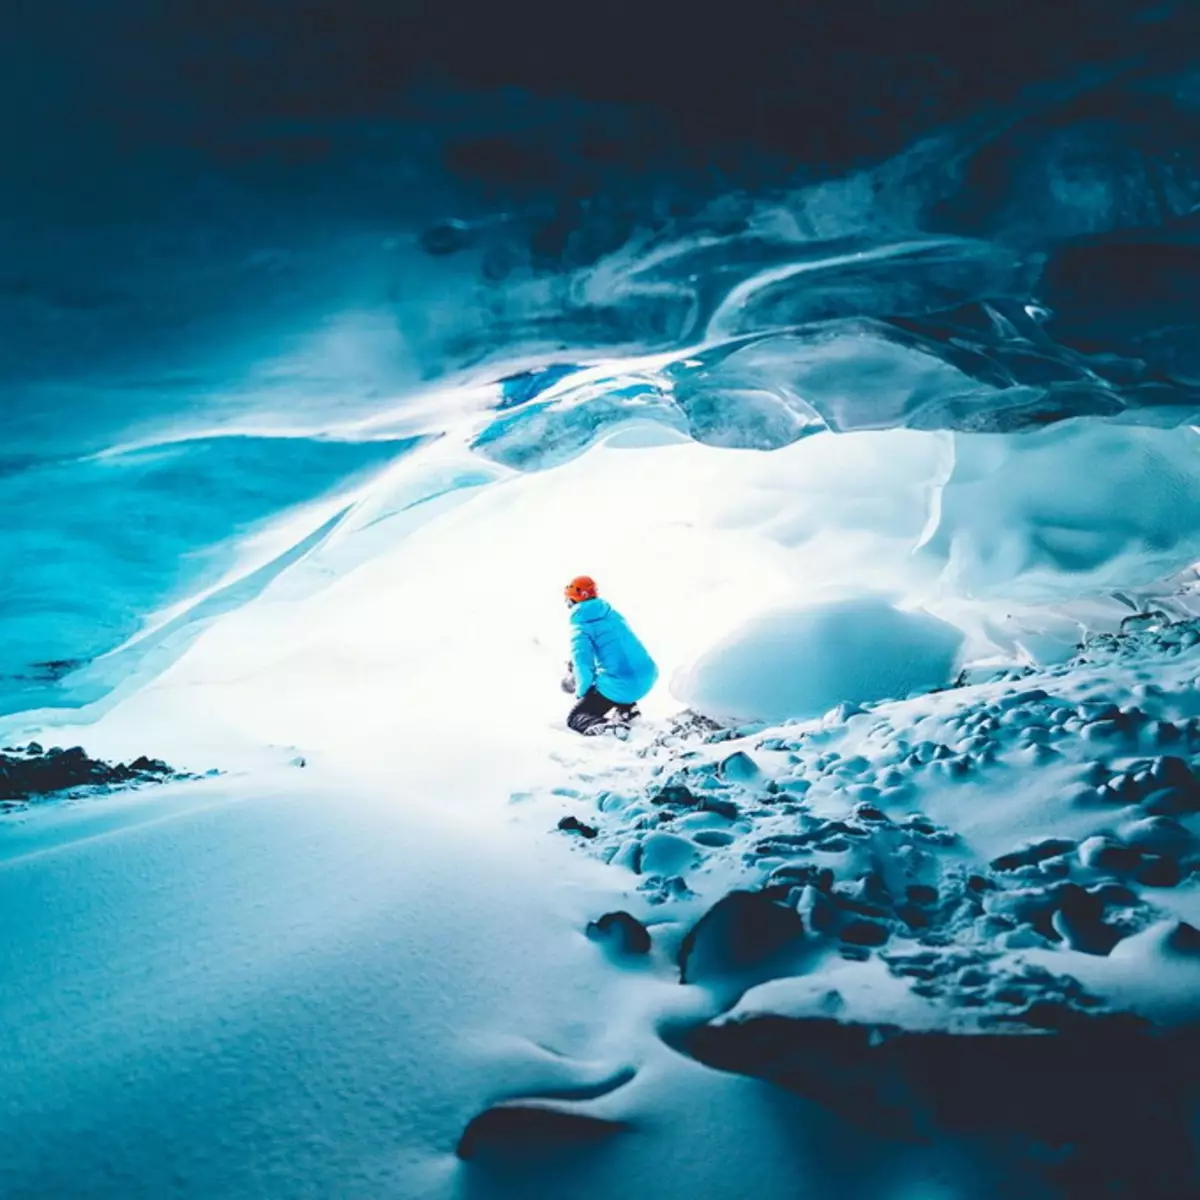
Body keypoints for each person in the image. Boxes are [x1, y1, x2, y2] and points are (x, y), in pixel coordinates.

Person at [561, 575, 658, 736]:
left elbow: (583, 666)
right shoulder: (612, 614)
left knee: (576, 717)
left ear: (572, 601)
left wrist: (581, 695)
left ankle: (610, 727)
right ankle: (628, 709)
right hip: (648, 675)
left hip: (623, 685)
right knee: (611, 671)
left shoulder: (581, 628)